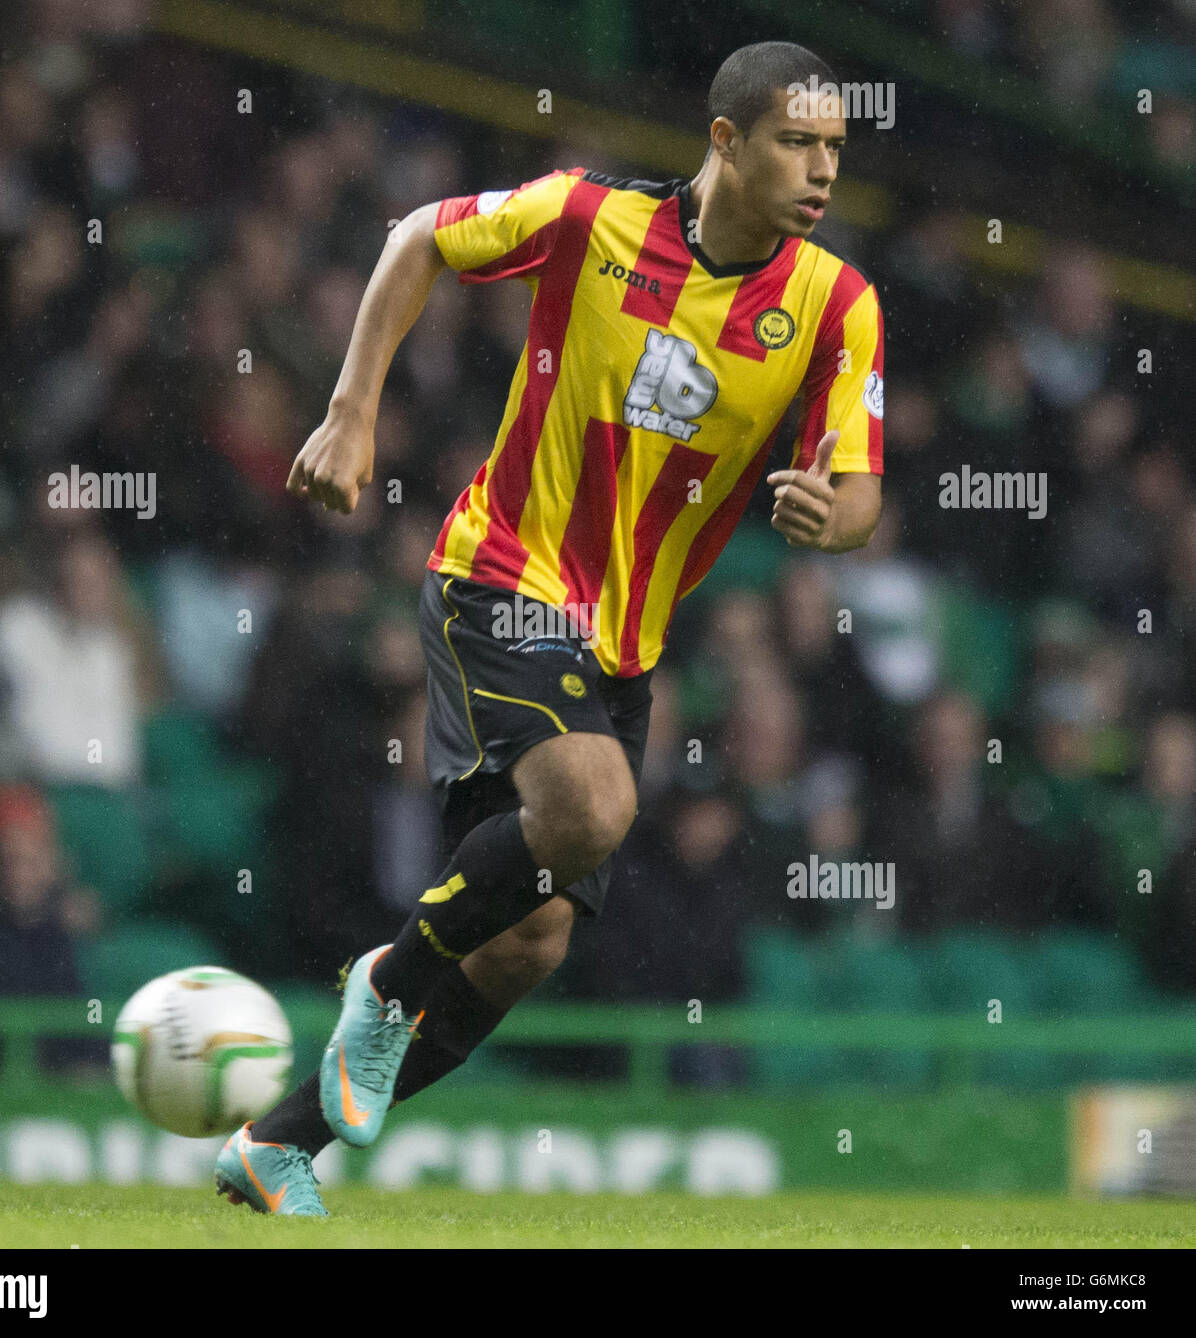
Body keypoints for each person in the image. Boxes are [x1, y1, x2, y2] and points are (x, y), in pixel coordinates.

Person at [215, 40, 885, 1216]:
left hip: (623, 644)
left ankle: (279, 1144)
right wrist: (350, 412)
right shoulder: (587, 219)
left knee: (527, 946)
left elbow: (861, 489)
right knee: (594, 807)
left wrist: (832, 519)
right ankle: (384, 985)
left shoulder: (836, 305)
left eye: (834, 145)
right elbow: (416, 234)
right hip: (501, 573)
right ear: (725, 141)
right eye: (797, 141)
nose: (822, 168)